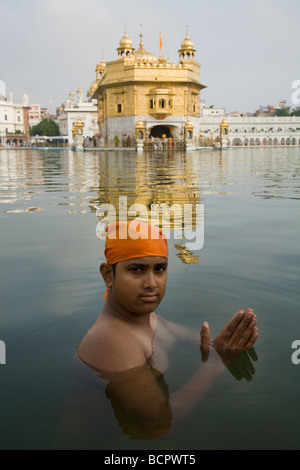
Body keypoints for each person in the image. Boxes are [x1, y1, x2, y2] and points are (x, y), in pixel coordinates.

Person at [78, 220, 258, 439]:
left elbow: (197, 342)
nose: (151, 283)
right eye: (137, 269)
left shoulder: (152, 320)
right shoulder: (111, 340)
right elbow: (159, 424)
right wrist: (213, 365)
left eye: (159, 269)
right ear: (108, 275)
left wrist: (219, 349)